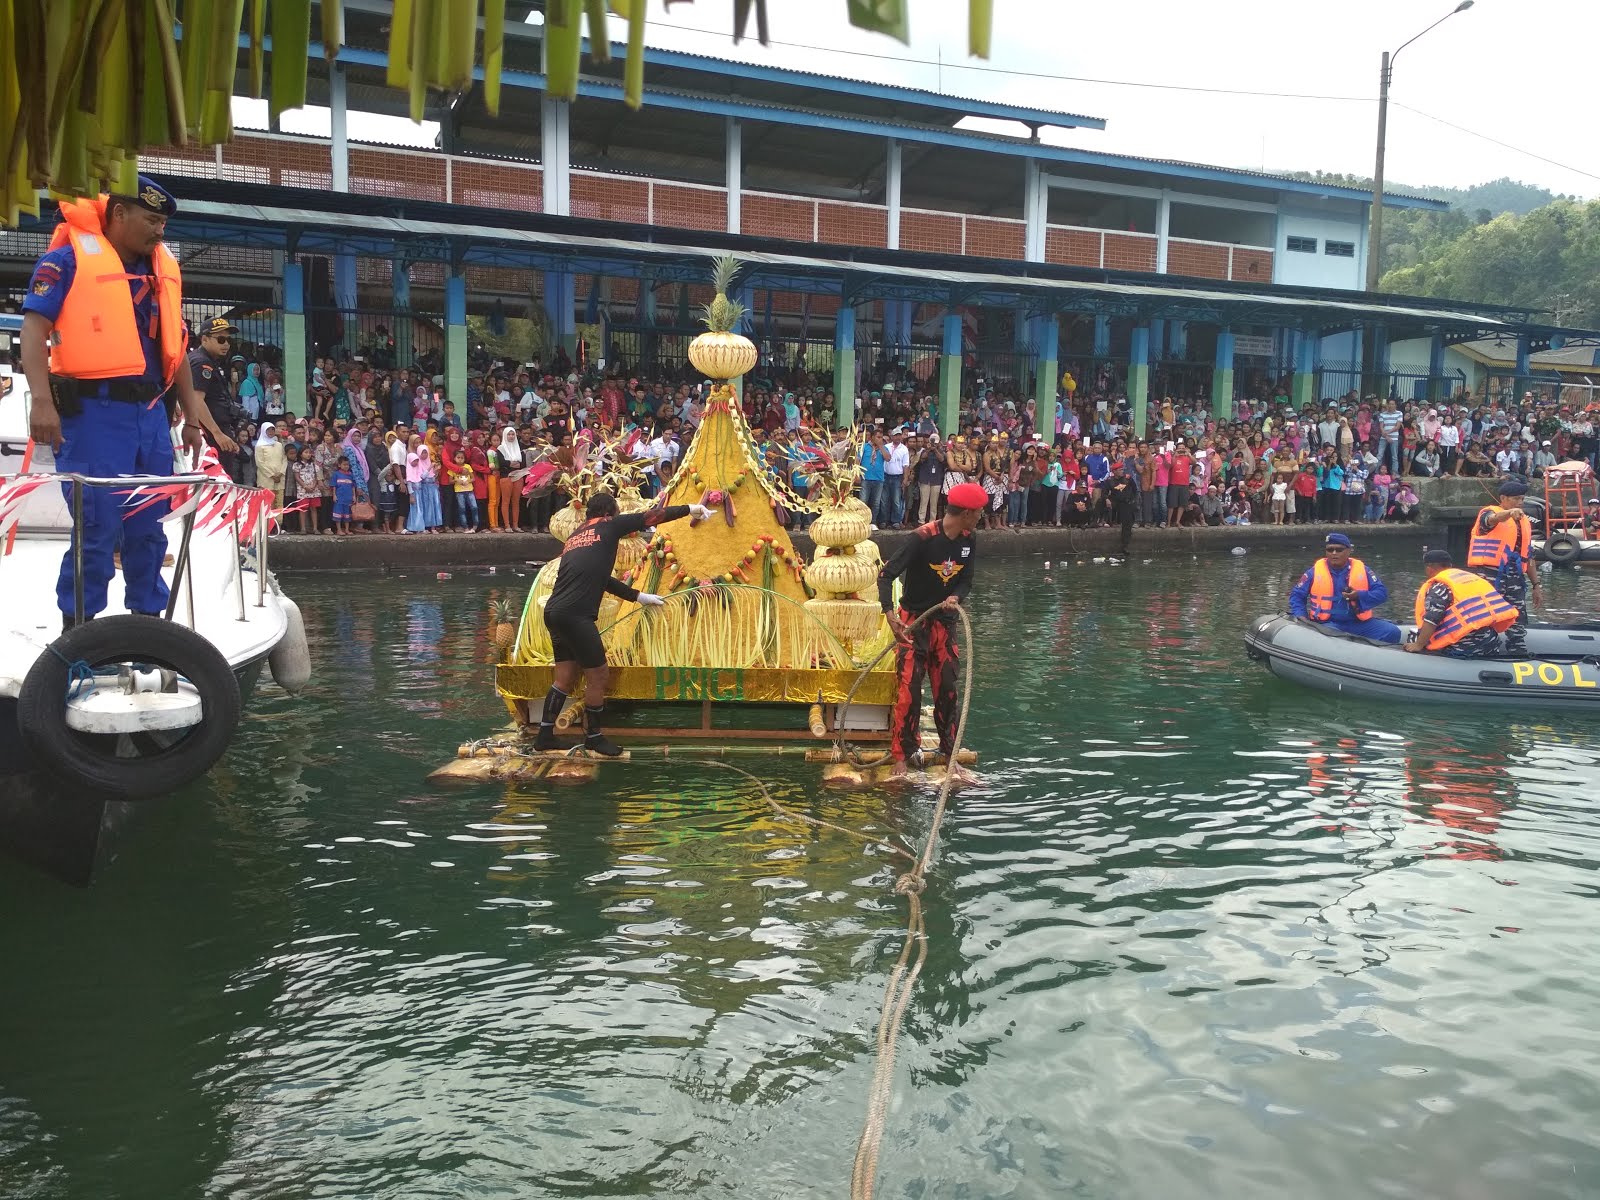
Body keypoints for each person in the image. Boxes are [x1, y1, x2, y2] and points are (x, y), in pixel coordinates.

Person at [20, 176, 218, 629]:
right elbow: (33, 332)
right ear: (119, 214)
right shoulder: (66, 261)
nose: (159, 231)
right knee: (96, 526)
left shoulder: (160, 274)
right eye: (151, 220)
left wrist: (190, 418)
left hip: (149, 417)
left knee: (148, 528)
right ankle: (79, 634)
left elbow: (177, 349)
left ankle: (147, 629)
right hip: (92, 415)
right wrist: (41, 401)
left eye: (163, 223)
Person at [534, 493, 713, 756]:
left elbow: (600, 579)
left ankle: (544, 737)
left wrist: (639, 597)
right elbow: (652, 516)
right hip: (576, 616)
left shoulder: (575, 538)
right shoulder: (607, 525)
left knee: (565, 677)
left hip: (554, 612)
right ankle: (593, 737)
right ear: (609, 513)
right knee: (598, 676)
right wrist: (691, 508)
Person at [876, 479, 986, 783]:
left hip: (945, 624)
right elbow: (885, 577)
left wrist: (956, 598)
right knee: (909, 689)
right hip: (913, 623)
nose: (980, 518)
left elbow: (966, 580)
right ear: (965, 513)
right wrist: (889, 614)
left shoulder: (969, 539)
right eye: (977, 513)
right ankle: (902, 753)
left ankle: (948, 753)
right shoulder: (921, 538)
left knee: (948, 687)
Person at [1467, 477, 1540, 656]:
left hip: (1515, 576)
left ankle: (1517, 648)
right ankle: (1482, 646)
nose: (1520, 502)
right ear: (1503, 498)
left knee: (1517, 615)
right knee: (1486, 612)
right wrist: (1508, 513)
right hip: (1490, 574)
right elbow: (1491, 520)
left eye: (1522, 499)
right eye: (1516, 499)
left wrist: (1536, 585)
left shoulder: (1524, 521)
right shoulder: (1489, 512)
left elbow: (1528, 556)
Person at [1287, 532, 1403, 644]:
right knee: (1333, 638)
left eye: (1339, 550)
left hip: (1359, 623)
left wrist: (1359, 595)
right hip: (1328, 624)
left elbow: (1382, 594)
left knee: (1392, 632)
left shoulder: (1364, 571)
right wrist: (1302, 617)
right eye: (1330, 550)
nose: (1334, 553)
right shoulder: (1313, 572)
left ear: (1348, 551)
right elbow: (1297, 595)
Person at [1406, 549, 1519, 658]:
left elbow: (1432, 620)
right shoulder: (1472, 579)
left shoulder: (1440, 587)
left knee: (1414, 638)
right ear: (1450, 565)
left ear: (1429, 569)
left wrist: (1418, 645)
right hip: (1491, 643)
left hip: (1464, 648)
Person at [187, 316, 247, 480]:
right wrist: (218, 433)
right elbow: (196, 400)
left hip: (216, 432)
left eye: (228, 340)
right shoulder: (201, 362)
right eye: (221, 339)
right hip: (210, 435)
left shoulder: (209, 361)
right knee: (216, 486)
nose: (226, 344)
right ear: (204, 339)